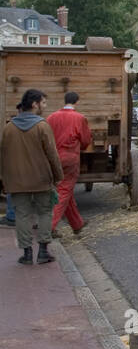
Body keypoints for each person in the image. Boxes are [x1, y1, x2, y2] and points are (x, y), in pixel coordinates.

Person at [0, 88, 64, 264]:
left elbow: (3, 156)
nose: (44, 106)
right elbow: (52, 154)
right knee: (44, 213)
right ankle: (43, 251)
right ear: (35, 104)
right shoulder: (42, 126)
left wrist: (4, 180)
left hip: (16, 180)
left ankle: (27, 253)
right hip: (41, 178)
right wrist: (58, 175)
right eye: (43, 102)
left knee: (22, 215)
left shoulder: (8, 128)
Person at [47, 91, 92, 236]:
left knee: (66, 190)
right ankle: (50, 227)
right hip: (69, 157)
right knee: (65, 191)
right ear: (76, 102)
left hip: (53, 157)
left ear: (64, 100)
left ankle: (77, 223)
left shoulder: (51, 117)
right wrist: (81, 148)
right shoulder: (79, 118)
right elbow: (85, 140)